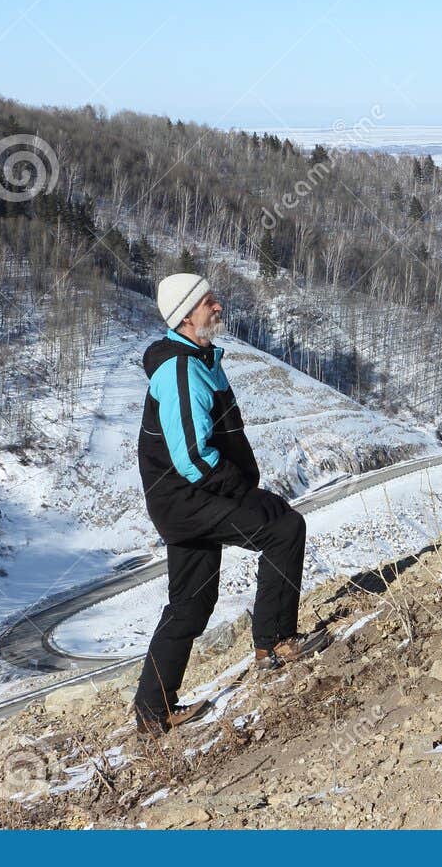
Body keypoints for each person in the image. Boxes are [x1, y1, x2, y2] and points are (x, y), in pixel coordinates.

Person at [131, 273, 328, 736]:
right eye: (208, 302)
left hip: (182, 500)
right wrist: (242, 489)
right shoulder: (180, 369)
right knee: (284, 528)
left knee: (191, 604)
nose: (218, 306)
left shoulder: (199, 359)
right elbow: (193, 457)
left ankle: (152, 711)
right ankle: (275, 643)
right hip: (191, 498)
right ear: (185, 315)